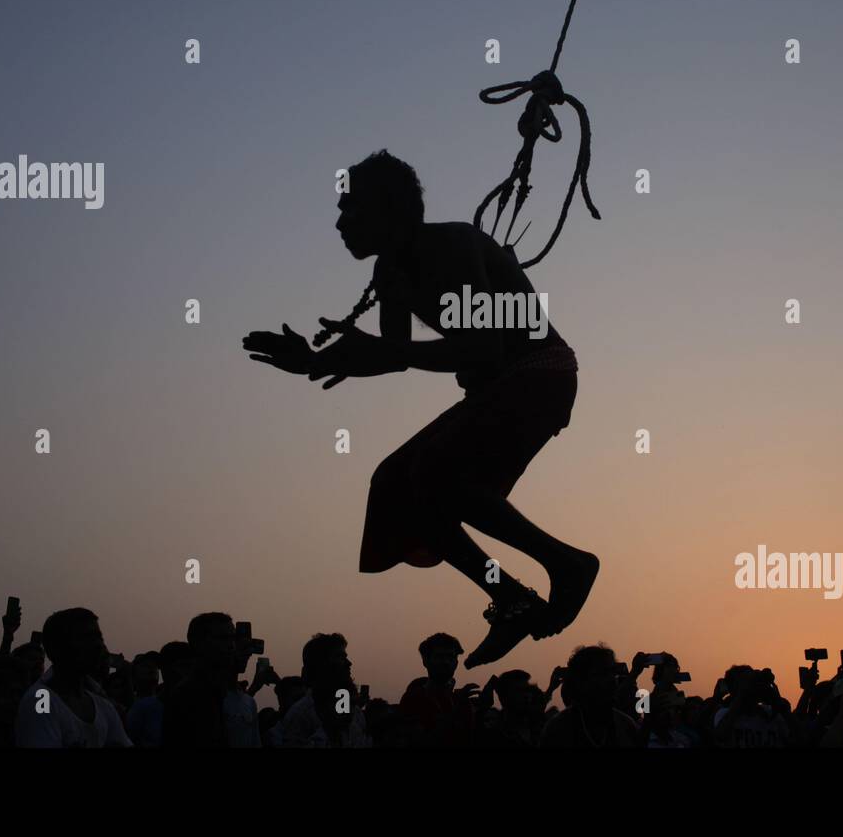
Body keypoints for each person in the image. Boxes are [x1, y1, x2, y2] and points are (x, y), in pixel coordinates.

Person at [244, 150, 598, 667]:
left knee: (431, 472)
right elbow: (394, 358)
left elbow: (481, 349)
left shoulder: (452, 246)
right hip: (497, 389)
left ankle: (566, 565)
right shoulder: (392, 272)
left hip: (539, 375)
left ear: (389, 209)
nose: (340, 222)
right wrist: (313, 362)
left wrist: (379, 350)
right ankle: (512, 598)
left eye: (350, 209)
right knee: (393, 482)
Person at [14, 608, 131, 748]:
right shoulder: (40, 700)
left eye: (99, 637)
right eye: (86, 638)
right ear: (57, 648)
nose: (98, 645)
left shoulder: (103, 705)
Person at [163, 613, 260, 748]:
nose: (231, 645)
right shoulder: (189, 694)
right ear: (199, 643)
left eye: (233, 638)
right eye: (223, 638)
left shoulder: (217, 691)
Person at [540, 645, 640, 748]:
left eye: (613, 673)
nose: (611, 680)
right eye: (602, 674)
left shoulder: (626, 726)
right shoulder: (558, 729)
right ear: (581, 681)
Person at [280, 633, 370, 747]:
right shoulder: (301, 714)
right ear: (322, 663)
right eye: (340, 657)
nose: (348, 663)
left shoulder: (355, 712)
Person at [397, 633, 475, 747]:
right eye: (439, 657)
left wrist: (481, 712)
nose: (446, 662)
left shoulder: (462, 701)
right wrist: (454, 712)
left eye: (450, 657)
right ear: (425, 661)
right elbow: (417, 741)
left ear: (456, 663)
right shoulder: (413, 698)